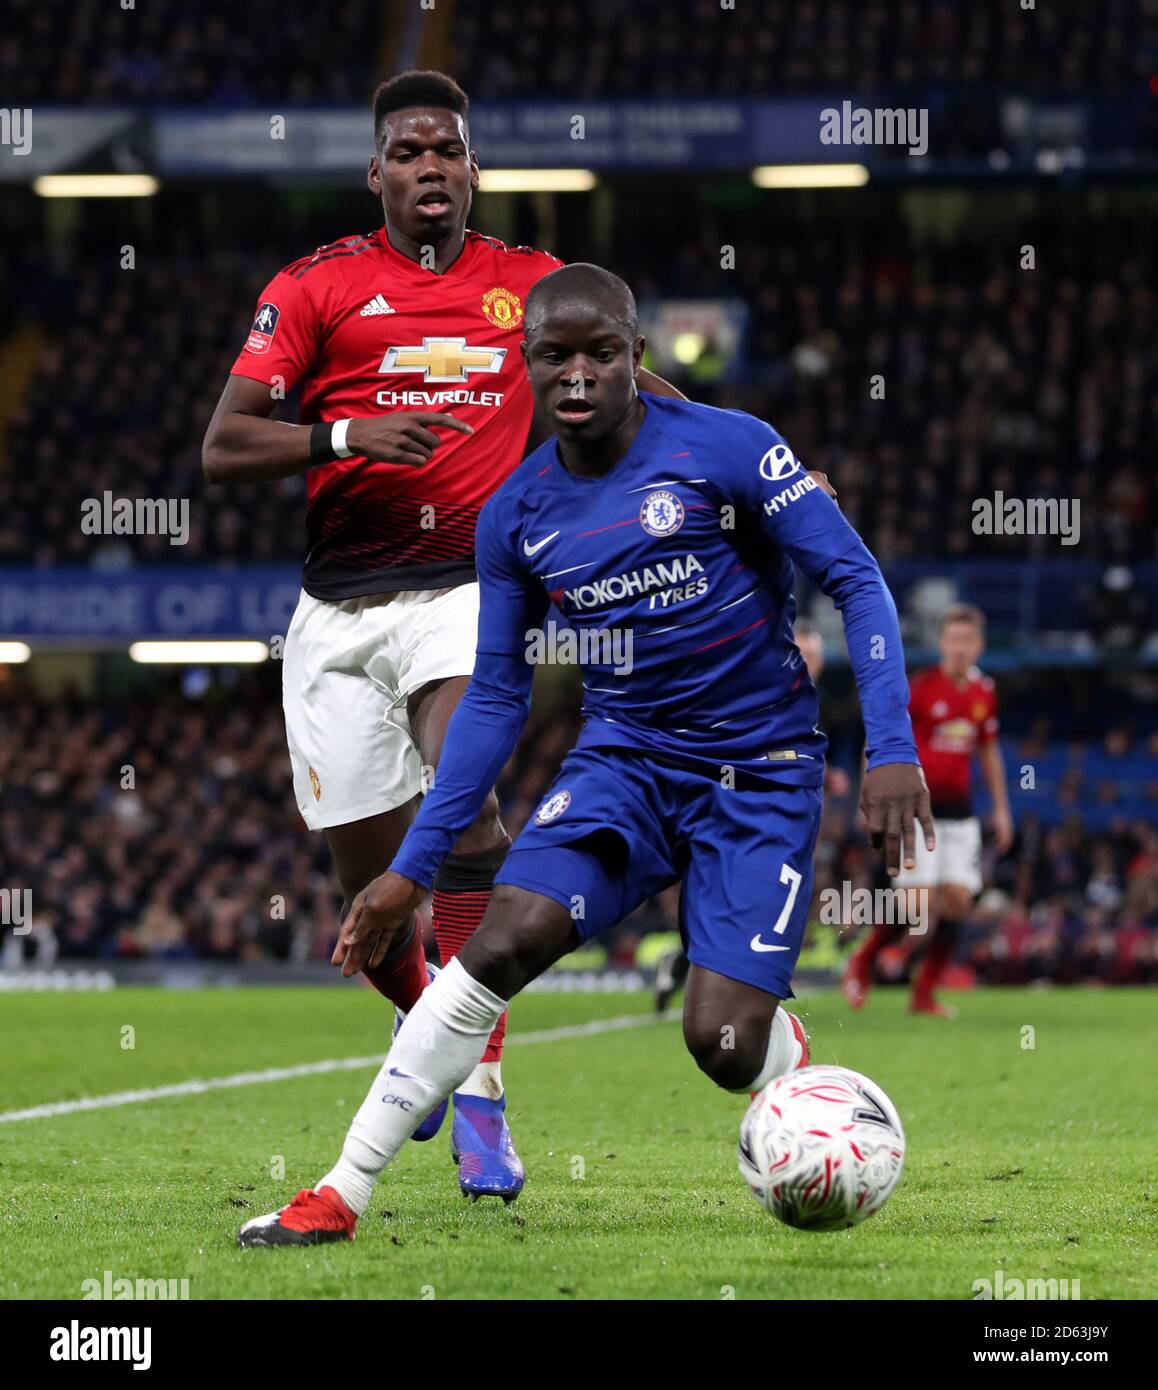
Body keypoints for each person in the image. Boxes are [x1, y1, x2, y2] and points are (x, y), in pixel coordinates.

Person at [238, 262, 932, 1246]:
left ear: (635, 358)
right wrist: (411, 867)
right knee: (498, 943)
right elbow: (494, 700)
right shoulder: (516, 514)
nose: (577, 373)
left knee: (721, 1044)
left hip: (761, 773)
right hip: (625, 766)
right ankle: (340, 1190)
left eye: (599, 352)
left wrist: (890, 749)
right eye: (554, 355)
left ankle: (783, 1053)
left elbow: (857, 580)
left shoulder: (731, 448)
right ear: (525, 365)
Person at [202, 71, 686, 1199]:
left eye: (450, 150)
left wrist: (764, 470)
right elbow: (225, 446)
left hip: (468, 588)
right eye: (410, 151)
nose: (432, 166)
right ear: (377, 172)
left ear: (473, 170)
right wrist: (344, 431)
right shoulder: (316, 287)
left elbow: (630, 386)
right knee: (373, 919)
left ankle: (480, 1095)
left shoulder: (528, 287)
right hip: (333, 615)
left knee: (467, 807)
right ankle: (439, 1044)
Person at [652, 619, 852, 1012]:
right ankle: (695, 966)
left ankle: (748, 973)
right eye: (801, 654)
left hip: (788, 820)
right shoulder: (759, 694)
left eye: (813, 656)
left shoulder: (816, 704)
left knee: (778, 894)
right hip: (738, 813)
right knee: (728, 897)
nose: (807, 662)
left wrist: (829, 776)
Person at [842, 603, 1012, 1016]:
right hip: (916, 809)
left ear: (979, 645)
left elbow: (988, 752)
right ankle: (864, 960)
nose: (960, 648)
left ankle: (923, 994)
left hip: (961, 813)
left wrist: (1002, 809)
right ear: (941, 643)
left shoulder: (983, 692)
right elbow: (880, 737)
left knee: (957, 902)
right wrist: (872, 794)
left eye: (967, 640)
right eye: (953, 639)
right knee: (919, 904)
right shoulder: (918, 688)